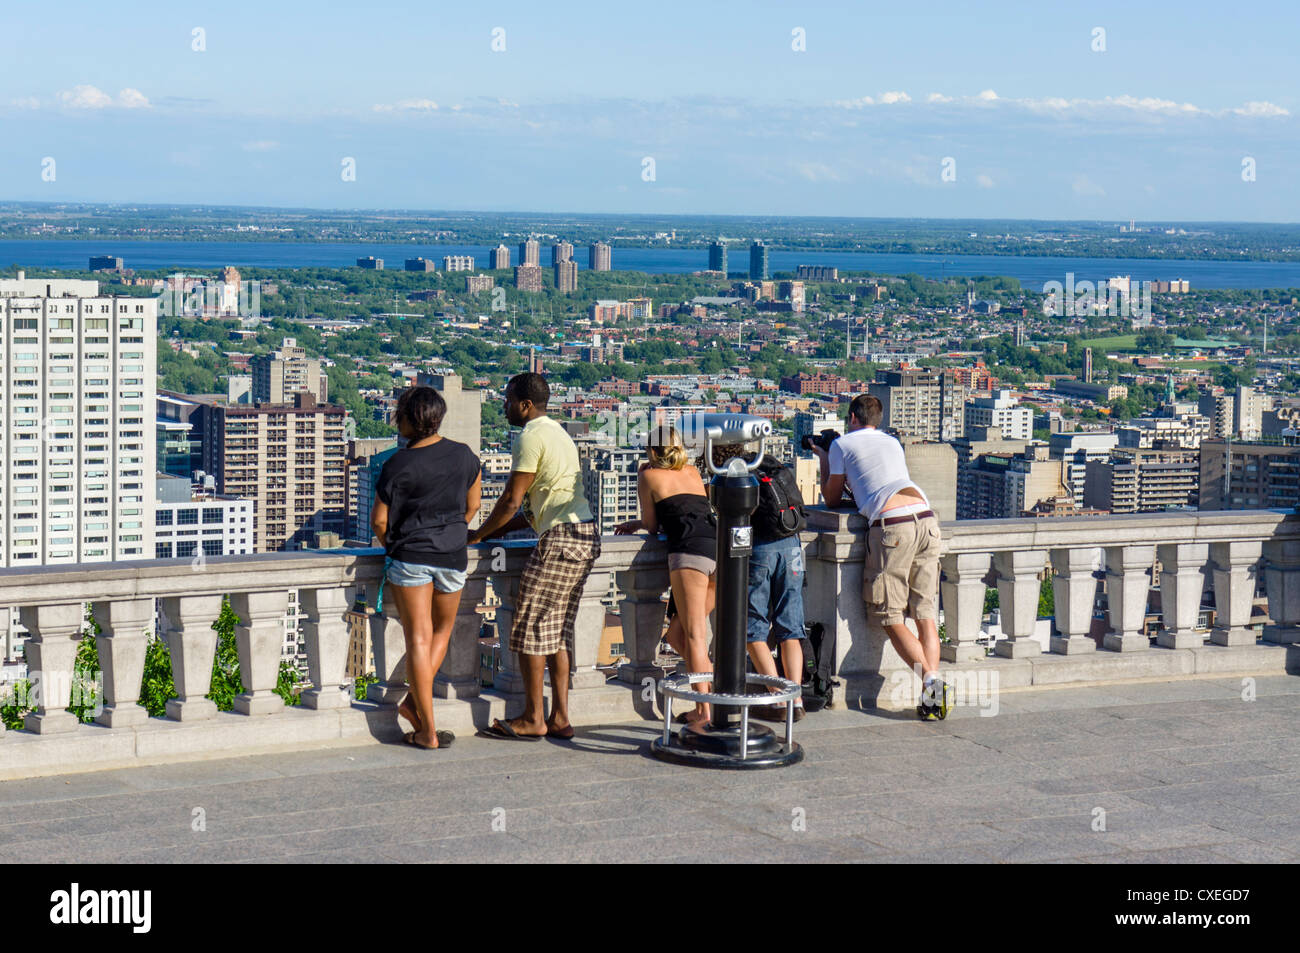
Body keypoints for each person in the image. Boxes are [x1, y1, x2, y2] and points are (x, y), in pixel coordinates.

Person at [470, 372, 600, 741]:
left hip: (560, 539)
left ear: (525, 404)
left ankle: (533, 717)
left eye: (509, 399)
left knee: (527, 629)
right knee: (555, 634)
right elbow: (534, 508)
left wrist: (479, 534)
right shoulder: (559, 433)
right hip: (584, 534)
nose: (505, 405)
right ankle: (560, 717)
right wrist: (497, 531)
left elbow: (513, 499)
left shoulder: (530, 436)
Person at [812, 394, 949, 720]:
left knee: (889, 616)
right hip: (925, 518)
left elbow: (831, 498)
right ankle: (933, 693)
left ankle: (932, 682)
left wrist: (823, 457)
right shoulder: (892, 443)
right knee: (925, 615)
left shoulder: (842, 445)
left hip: (893, 528)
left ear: (852, 418)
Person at [371, 386, 482, 749]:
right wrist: (450, 531)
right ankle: (412, 708)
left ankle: (427, 730)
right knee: (441, 633)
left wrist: (396, 544)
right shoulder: (464, 455)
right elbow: (473, 505)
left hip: (411, 557)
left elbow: (379, 522)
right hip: (452, 555)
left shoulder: (396, 464)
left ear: (409, 419)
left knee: (417, 637)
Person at [614, 427, 717, 729]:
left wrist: (636, 522)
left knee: (696, 637)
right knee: (676, 636)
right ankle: (710, 686)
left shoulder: (648, 476)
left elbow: (651, 525)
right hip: (718, 551)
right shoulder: (693, 473)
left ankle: (704, 712)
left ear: (652, 450)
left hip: (689, 554)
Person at [743, 449, 808, 723]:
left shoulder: (740, 474)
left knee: (753, 627)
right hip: (792, 546)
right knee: (790, 626)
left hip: (760, 549)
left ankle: (779, 698)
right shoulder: (775, 467)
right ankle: (797, 698)